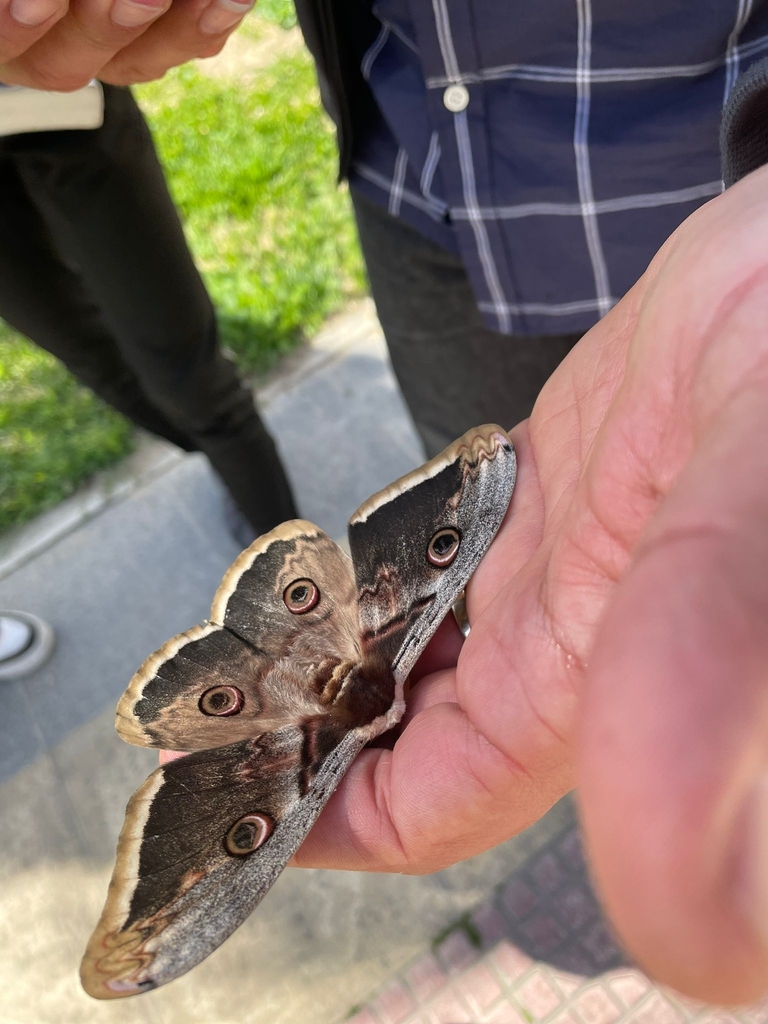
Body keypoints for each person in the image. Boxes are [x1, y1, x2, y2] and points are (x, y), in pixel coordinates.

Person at [2, 0, 768, 1006]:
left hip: (670, 179)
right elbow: (485, 464)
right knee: (499, 495)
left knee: (546, 530)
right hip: (408, 152)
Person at [0, 81, 297, 542]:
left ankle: (283, 549)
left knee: (186, 372)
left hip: (63, 101)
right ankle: (225, 461)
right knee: (95, 361)